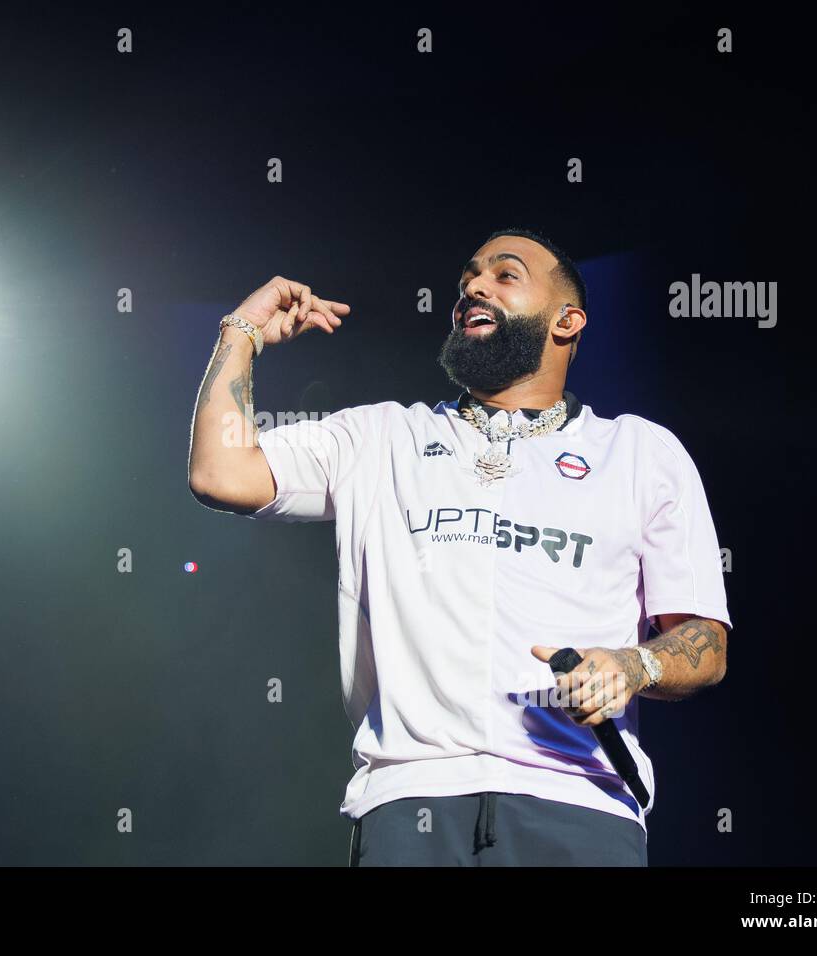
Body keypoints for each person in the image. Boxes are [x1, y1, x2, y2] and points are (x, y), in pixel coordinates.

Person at [187, 228, 731, 866]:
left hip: (581, 807)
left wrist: (634, 666)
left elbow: (706, 642)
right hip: (412, 802)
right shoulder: (381, 437)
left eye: (506, 275)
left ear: (568, 320)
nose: (474, 286)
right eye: (469, 278)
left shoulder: (640, 453)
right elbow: (219, 474)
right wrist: (241, 332)